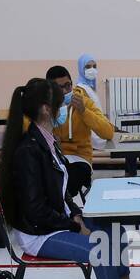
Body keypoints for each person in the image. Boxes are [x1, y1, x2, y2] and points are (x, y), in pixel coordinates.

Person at [0, 77, 140, 279]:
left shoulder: (48, 141)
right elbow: (35, 210)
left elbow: (62, 191)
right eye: (60, 104)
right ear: (47, 109)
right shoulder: (28, 151)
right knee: (101, 250)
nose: (64, 109)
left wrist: (77, 215)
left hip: (59, 219)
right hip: (39, 233)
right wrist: (73, 225)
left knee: (117, 231)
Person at [46, 63, 114, 199]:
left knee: (69, 179)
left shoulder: (83, 102)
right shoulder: (45, 105)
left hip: (80, 158)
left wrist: (84, 111)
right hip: (52, 157)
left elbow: (108, 132)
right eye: (59, 88)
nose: (65, 91)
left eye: (68, 85)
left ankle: (66, 213)